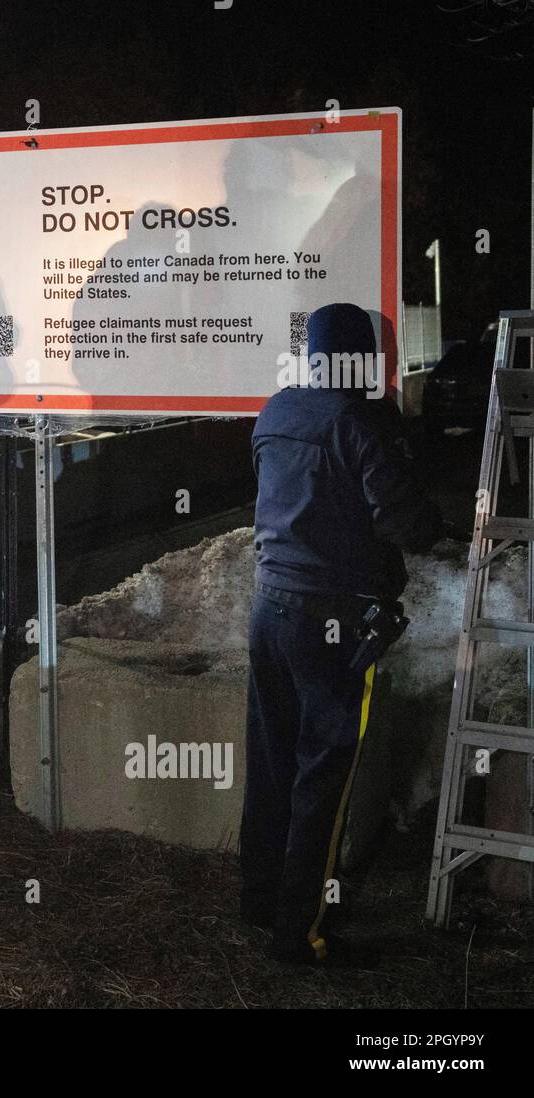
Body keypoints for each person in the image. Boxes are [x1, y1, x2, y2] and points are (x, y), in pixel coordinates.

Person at [243, 302, 443, 966]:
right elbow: (406, 524)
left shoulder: (275, 411)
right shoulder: (357, 424)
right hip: (328, 621)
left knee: (272, 763)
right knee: (322, 777)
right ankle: (299, 936)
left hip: (268, 607)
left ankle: (259, 902)